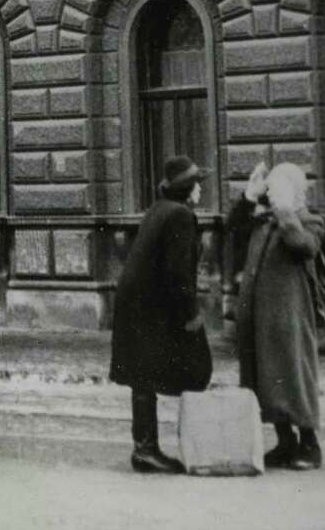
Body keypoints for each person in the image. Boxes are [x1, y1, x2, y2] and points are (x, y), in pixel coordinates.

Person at [109, 154, 212, 473]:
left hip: (137, 304)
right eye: (198, 185)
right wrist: (190, 315)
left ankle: (144, 448)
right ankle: (146, 450)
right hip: (150, 307)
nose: (201, 190)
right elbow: (178, 273)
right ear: (188, 189)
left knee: (142, 373)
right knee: (152, 370)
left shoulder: (159, 209)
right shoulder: (180, 215)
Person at [228, 160, 325, 470]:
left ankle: (310, 444)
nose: (270, 195)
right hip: (259, 317)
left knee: (294, 375)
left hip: (290, 318)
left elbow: (303, 246)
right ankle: (285, 441)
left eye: (276, 188)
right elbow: (233, 227)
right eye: (270, 189)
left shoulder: (309, 221)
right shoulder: (262, 222)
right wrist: (249, 194)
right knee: (264, 378)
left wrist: (285, 210)